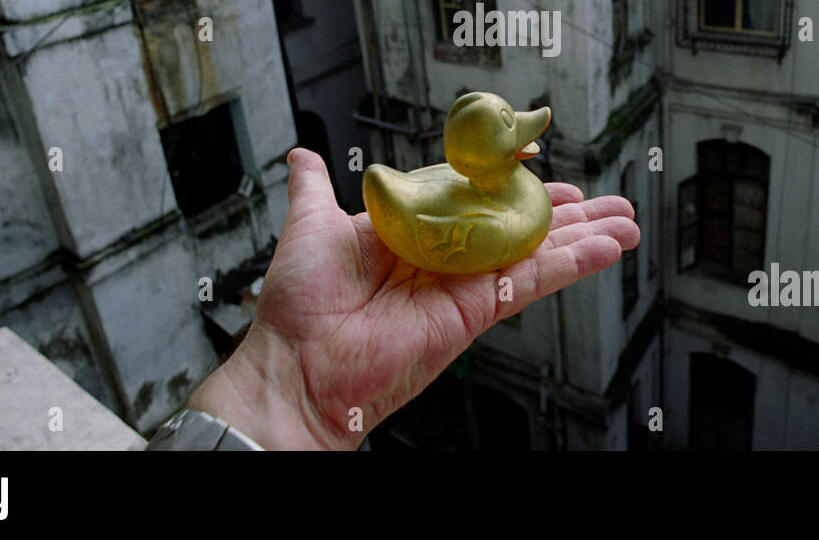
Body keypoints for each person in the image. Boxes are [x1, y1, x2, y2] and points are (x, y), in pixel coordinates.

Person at [180, 147, 640, 450]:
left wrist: (287, 391)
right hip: (419, 217)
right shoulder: (497, 220)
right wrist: (297, 385)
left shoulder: (505, 187)